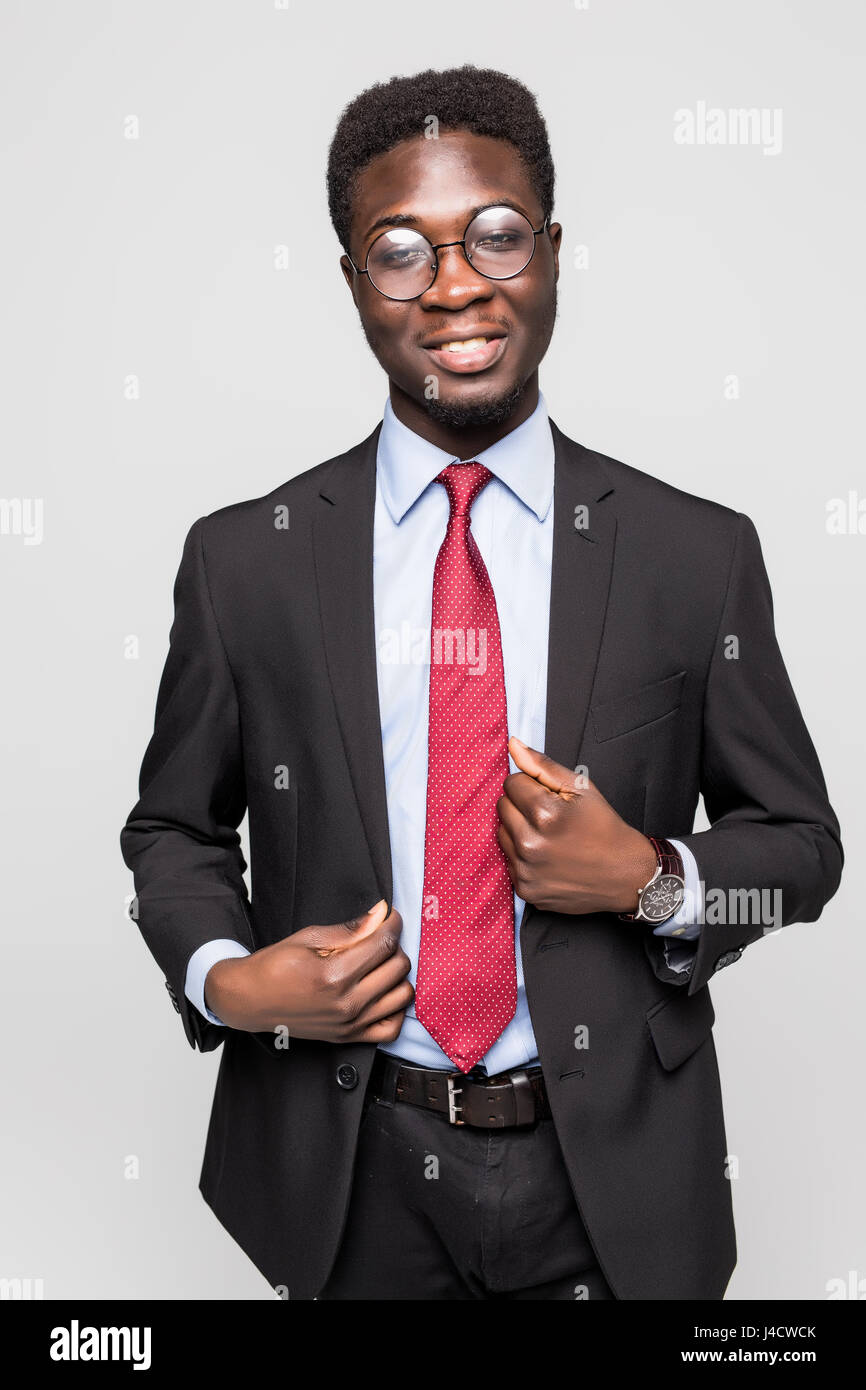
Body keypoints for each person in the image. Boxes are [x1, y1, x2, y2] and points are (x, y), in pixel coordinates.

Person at [120, 64, 843, 1300]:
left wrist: (657, 880)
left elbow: (802, 854)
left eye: (494, 237)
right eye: (400, 251)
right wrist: (233, 982)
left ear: (552, 250)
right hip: (348, 1168)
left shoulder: (693, 554)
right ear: (352, 279)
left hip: (608, 1169)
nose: (454, 284)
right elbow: (173, 829)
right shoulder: (246, 560)